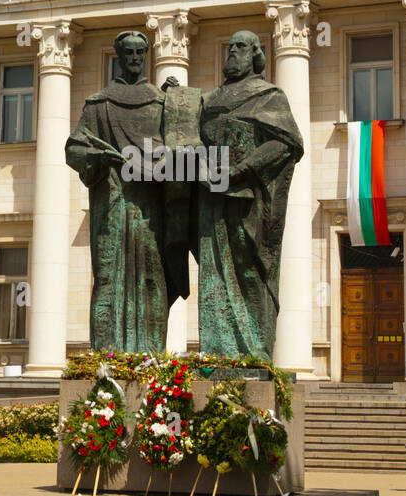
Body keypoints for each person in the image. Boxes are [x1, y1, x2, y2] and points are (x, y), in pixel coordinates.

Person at [65, 30, 183, 352]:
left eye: (139, 53)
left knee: (152, 280)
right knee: (107, 279)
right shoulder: (98, 105)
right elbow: (74, 148)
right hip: (112, 204)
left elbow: (182, 145)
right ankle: (106, 357)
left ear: (146, 56)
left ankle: (150, 357)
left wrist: (178, 104)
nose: (134, 58)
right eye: (128, 52)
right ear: (118, 55)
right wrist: (96, 157)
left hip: (151, 207)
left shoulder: (161, 103)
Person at [190, 31, 303, 359]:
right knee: (213, 270)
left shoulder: (270, 96)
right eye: (231, 47)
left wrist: (242, 169)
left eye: (241, 47)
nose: (233, 53)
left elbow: (286, 143)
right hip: (212, 197)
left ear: (256, 55)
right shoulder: (209, 100)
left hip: (248, 197)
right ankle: (218, 351)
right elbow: (187, 134)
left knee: (249, 265)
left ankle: (255, 350)